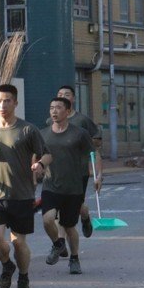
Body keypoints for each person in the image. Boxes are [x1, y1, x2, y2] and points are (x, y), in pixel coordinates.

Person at [0, 84, 51, 288]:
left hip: (21, 194)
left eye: (7, 100)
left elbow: (47, 154)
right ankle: (6, 265)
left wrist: (40, 164)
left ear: (15, 103)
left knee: (18, 242)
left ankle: (23, 276)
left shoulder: (27, 129)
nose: (2, 105)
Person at [40, 97, 99, 274]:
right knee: (47, 219)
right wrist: (35, 168)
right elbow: (37, 155)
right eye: (51, 108)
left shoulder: (79, 133)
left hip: (73, 187)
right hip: (50, 185)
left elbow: (93, 154)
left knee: (69, 226)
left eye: (58, 108)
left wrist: (98, 175)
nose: (54, 111)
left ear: (67, 111)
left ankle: (74, 258)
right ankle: (58, 244)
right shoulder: (43, 134)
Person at [56, 85, 102, 237]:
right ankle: (60, 243)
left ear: (73, 99)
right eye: (60, 94)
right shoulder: (51, 120)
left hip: (78, 172)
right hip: (58, 173)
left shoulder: (82, 120)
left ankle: (85, 216)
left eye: (67, 94)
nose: (63, 96)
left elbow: (96, 144)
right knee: (59, 206)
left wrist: (98, 174)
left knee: (76, 206)